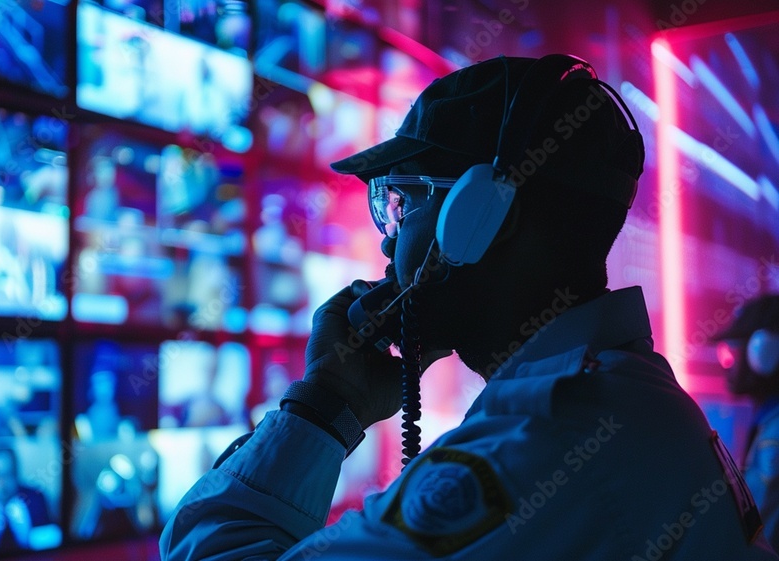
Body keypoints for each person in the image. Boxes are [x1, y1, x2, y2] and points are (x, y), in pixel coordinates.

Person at [160, 55, 778, 559]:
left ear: (481, 218)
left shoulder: (531, 453)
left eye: (402, 203)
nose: (386, 237)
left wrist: (322, 407)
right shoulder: (635, 399)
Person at [715, 294, 779, 552]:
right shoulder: (768, 422)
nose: (726, 366)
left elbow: (760, 534)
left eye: (731, 353)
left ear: (765, 350)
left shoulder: (774, 437)